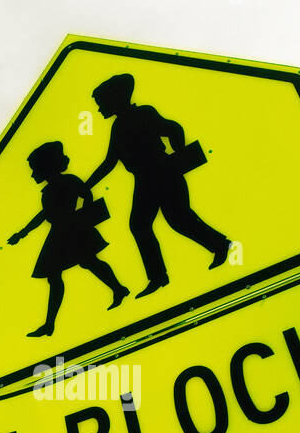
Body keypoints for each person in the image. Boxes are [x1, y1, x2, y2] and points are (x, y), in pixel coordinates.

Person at [85, 73, 231, 297]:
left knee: (177, 219)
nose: (98, 109)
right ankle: (158, 277)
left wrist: (179, 153)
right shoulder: (119, 126)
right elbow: (110, 161)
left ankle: (219, 246)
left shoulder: (143, 114)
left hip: (163, 173)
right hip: (144, 180)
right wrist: (87, 185)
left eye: (101, 103)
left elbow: (173, 129)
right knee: (142, 225)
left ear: (115, 99)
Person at [8, 141, 128, 337]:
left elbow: (87, 194)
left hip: (72, 230)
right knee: (60, 274)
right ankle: (50, 324)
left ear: (46, 167)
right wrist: (22, 233)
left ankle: (118, 289)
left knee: (88, 263)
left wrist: (84, 217)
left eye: (35, 169)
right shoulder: (49, 190)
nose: (32, 175)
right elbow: (44, 215)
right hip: (59, 234)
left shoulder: (68, 181)